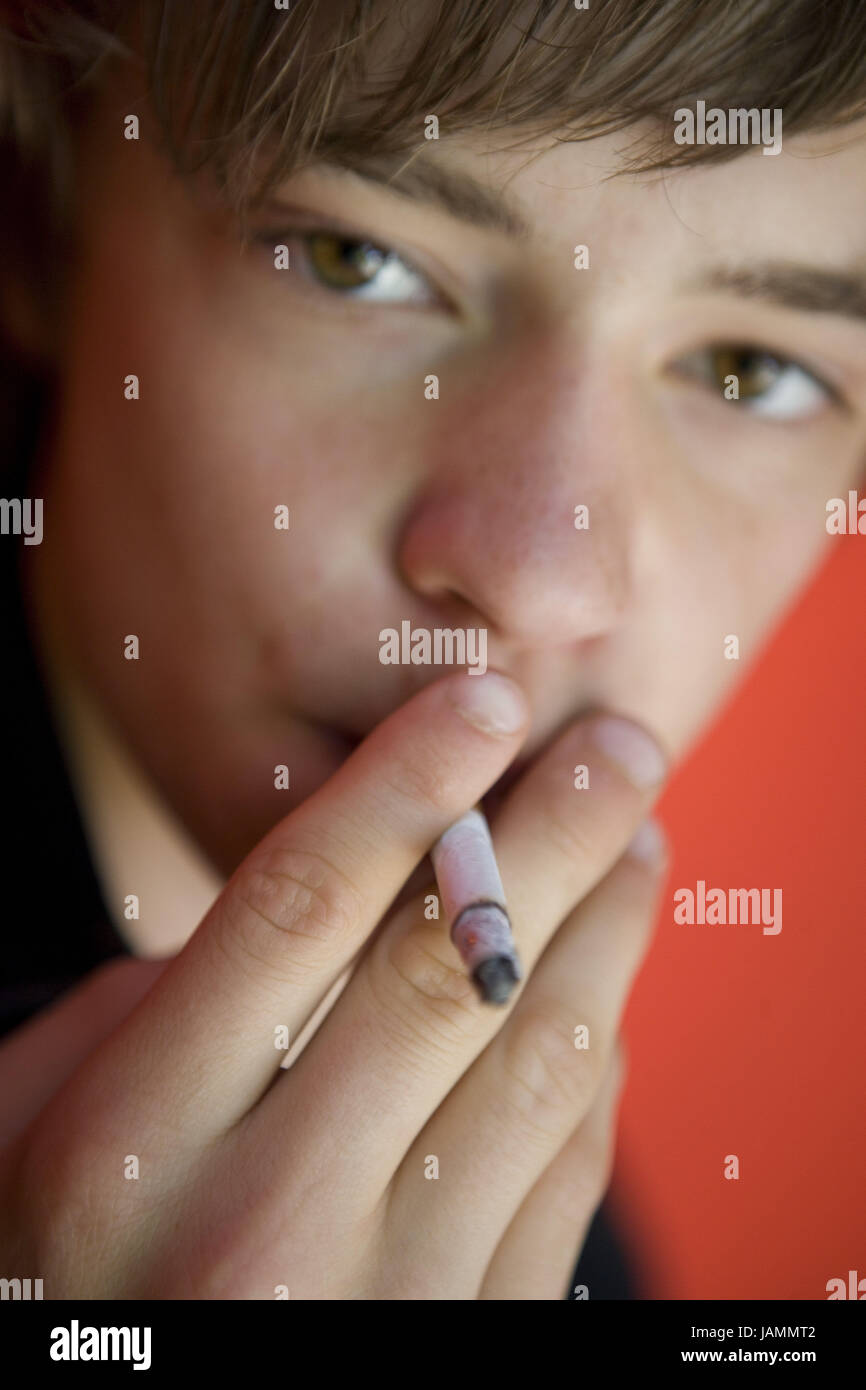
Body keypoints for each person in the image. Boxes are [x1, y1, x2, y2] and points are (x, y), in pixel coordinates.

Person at [0, 0, 864, 1300]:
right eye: (356, 259)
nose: (537, 574)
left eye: (746, 370)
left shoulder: (536, 1229)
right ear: (37, 217)